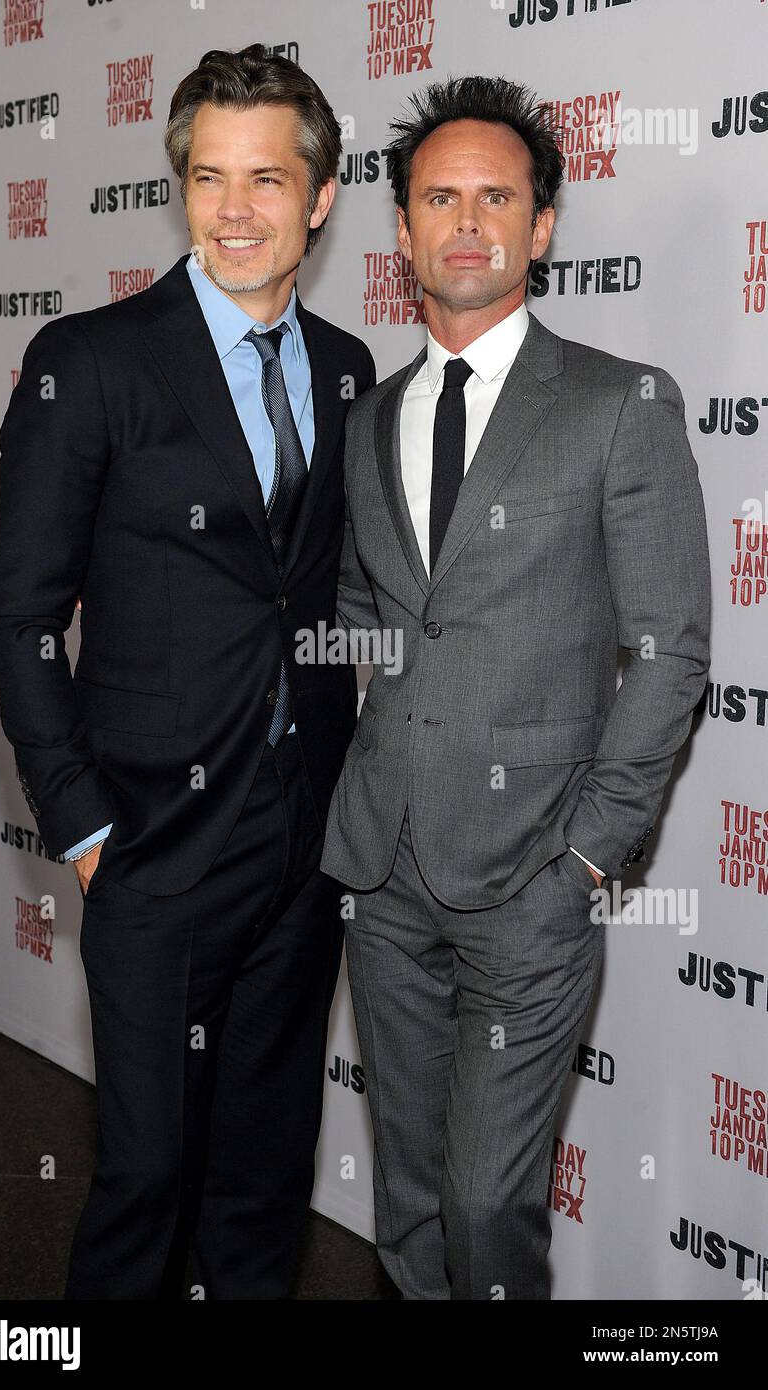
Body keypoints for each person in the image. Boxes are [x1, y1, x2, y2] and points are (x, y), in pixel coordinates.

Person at [0, 44, 375, 1300]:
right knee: (145, 1176)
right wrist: (87, 824)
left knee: (264, 1178)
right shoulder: (90, 360)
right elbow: (19, 617)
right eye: (209, 178)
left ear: (318, 199)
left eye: (267, 179)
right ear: (182, 190)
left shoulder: (348, 368)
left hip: (302, 839)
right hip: (151, 834)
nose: (236, 210)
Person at [321, 75, 711, 1299]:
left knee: (491, 1210)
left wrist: (587, 858)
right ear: (400, 229)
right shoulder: (370, 417)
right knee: (410, 1203)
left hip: (533, 883)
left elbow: (668, 653)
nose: (468, 221)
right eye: (440, 197)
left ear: (540, 227)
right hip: (382, 874)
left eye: (498, 196)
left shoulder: (615, 404)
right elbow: (361, 613)